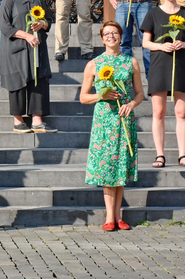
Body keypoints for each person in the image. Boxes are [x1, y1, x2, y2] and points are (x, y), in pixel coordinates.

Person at [79, 21, 143, 231]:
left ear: (121, 36)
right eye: (107, 33)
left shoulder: (131, 62)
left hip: (124, 118)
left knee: (121, 165)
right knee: (108, 166)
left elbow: (140, 93)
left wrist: (132, 104)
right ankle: (109, 216)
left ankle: (118, 215)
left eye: (114, 33)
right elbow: (83, 97)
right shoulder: (94, 64)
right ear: (101, 38)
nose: (111, 36)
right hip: (104, 121)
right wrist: (101, 95)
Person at [141, 0, 185, 169]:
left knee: (181, 112)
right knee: (158, 112)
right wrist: (161, 46)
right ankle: (160, 155)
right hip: (159, 65)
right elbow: (145, 42)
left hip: (181, 65)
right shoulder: (153, 14)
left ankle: (183, 155)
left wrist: (184, 43)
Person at [0, 0, 57, 133]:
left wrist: (42, 24)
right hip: (16, 49)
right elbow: (5, 26)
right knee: (17, 81)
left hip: (36, 49)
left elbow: (48, 21)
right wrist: (26, 36)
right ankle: (18, 121)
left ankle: (37, 120)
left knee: (38, 79)